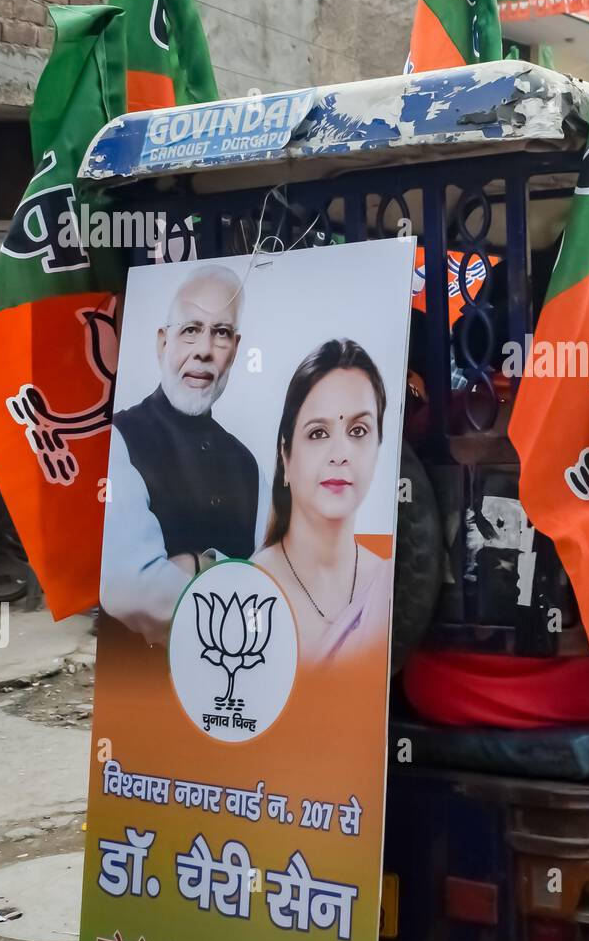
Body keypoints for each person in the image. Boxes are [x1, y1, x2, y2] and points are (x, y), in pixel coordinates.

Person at [101, 265, 266, 645]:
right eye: (190, 330)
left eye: (221, 333)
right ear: (163, 342)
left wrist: (194, 566)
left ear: (236, 349)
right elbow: (132, 592)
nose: (204, 351)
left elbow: (273, 585)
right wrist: (222, 568)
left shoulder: (247, 463)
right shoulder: (121, 439)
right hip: (144, 687)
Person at [253, 339, 394, 663]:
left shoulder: (389, 587)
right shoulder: (252, 586)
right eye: (318, 433)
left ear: (378, 446)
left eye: (358, 431)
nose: (340, 455)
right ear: (285, 456)